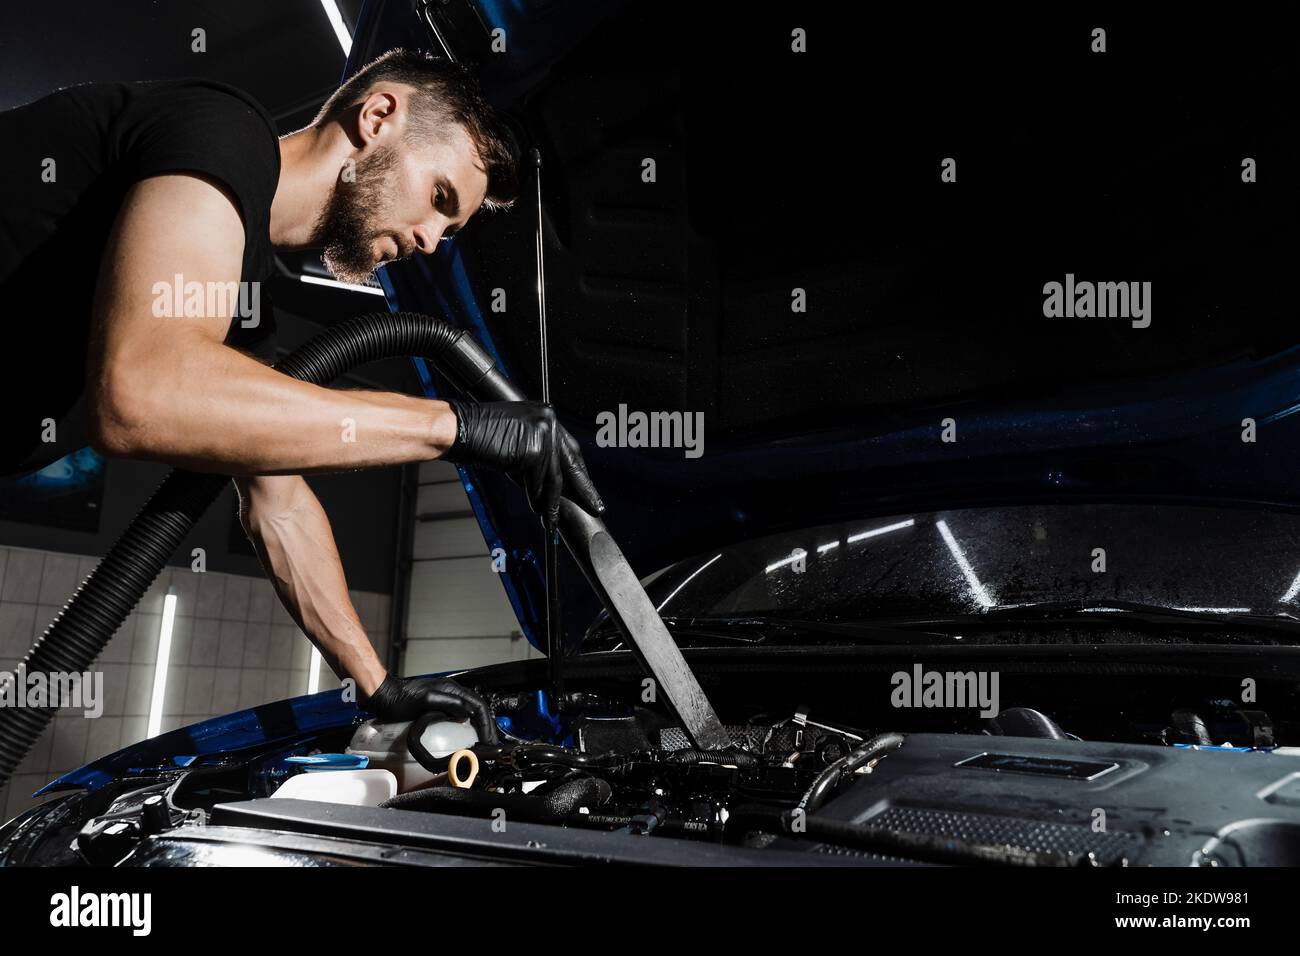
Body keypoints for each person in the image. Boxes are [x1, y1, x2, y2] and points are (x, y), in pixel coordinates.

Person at [0, 49, 604, 740]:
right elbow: (143, 391)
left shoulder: (236, 309)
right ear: (378, 116)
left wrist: (378, 686)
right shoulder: (221, 129)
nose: (434, 242)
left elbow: (277, 507)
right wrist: (454, 428)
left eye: (452, 229)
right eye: (440, 198)